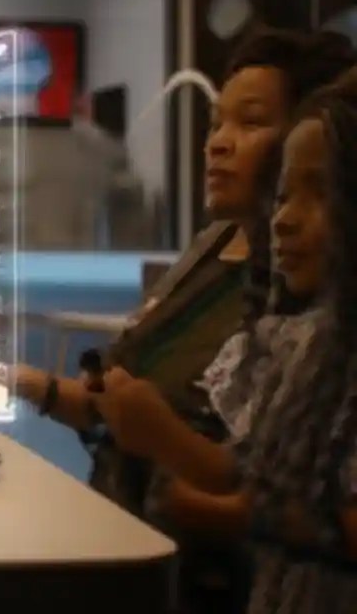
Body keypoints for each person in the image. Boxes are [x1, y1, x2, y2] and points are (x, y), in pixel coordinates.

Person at [14, 28, 357, 613]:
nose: (218, 144)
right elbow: (128, 404)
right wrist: (22, 382)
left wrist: (201, 486)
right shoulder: (218, 245)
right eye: (216, 123)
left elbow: (247, 481)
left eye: (249, 124)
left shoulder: (308, 319)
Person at [99, 69, 357, 612]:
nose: (285, 219)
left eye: (321, 193)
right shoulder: (307, 341)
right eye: (283, 196)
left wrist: (225, 511)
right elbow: (249, 469)